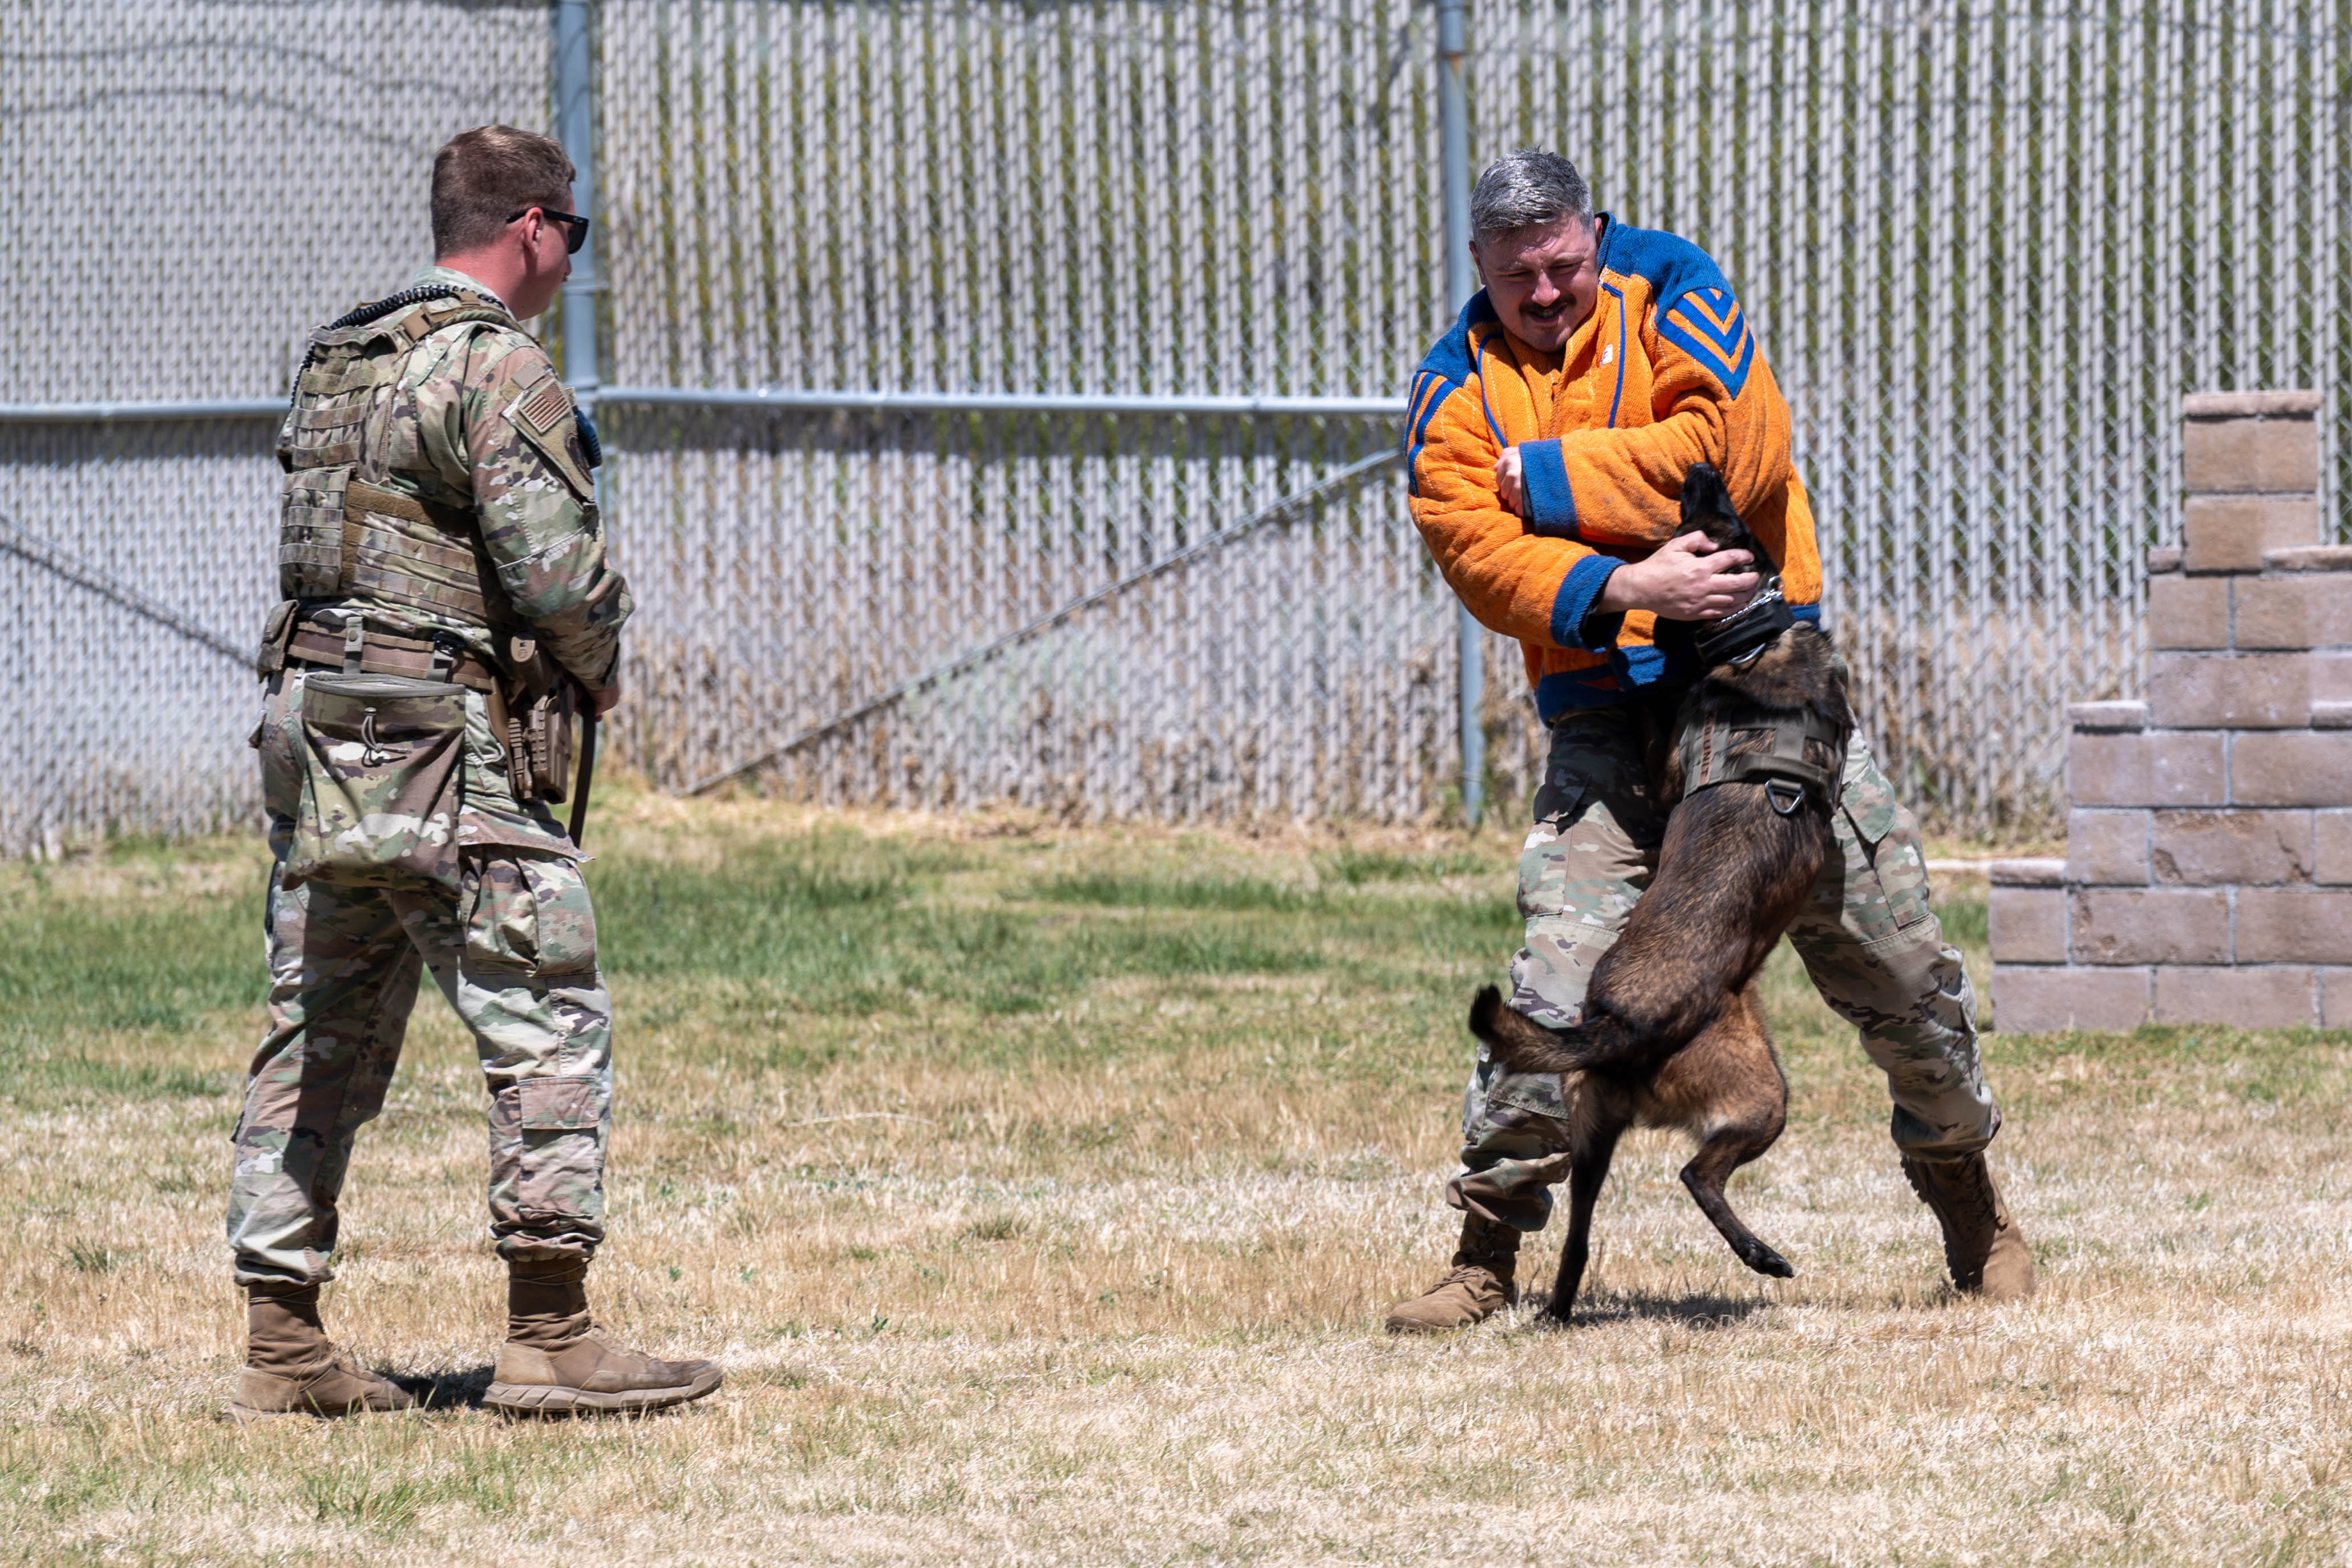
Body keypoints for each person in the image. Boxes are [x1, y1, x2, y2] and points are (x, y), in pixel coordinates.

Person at [1386, 149, 2031, 1332]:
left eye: (1564, 265)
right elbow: (1471, 552)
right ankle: (1486, 1250)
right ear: (1477, 263)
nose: (1545, 293)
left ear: (1594, 234)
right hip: (1609, 715)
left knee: (1896, 969)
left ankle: (1971, 1210)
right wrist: (1630, 575)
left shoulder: (1676, 287)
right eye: (1518, 274)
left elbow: (1732, 451)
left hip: (1760, 706)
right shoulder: (1451, 389)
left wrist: (1540, 476)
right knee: (1558, 976)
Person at [225, 125, 721, 1418]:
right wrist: (600, 661)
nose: (572, 258)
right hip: (438, 744)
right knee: (546, 1006)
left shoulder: (344, 354)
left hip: (317, 722)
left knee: (317, 1027)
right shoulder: (498, 366)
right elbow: (556, 575)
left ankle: (283, 1347)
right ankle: (550, 1335)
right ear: (534, 229)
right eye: (577, 235)